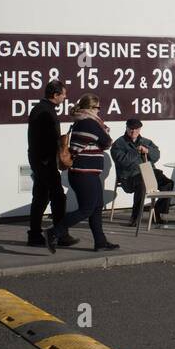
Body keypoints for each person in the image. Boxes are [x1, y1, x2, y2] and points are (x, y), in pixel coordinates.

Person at [60, 93, 117, 251]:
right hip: (83, 173)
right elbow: (107, 142)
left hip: (89, 173)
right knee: (87, 209)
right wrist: (103, 134)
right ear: (91, 108)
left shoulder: (82, 122)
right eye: (98, 108)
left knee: (96, 207)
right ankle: (54, 231)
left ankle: (100, 242)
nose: (99, 111)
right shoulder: (89, 123)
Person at [27, 80, 78, 250]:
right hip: (45, 161)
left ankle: (34, 235)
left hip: (39, 161)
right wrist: (61, 149)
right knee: (58, 196)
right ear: (55, 95)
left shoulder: (40, 110)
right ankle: (59, 233)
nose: (65, 97)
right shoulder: (45, 113)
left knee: (40, 198)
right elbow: (48, 140)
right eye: (63, 94)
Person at [111, 119, 174, 228]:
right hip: (129, 177)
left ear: (140, 129)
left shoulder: (146, 141)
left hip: (148, 172)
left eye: (136, 129)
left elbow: (156, 156)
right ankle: (135, 218)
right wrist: (136, 150)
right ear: (126, 128)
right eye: (131, 129)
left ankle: (157, 211)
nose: (133, 131)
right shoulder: (118, 144)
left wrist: (148, 150)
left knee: (168, 183)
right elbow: (123, 162)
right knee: (142, 184)